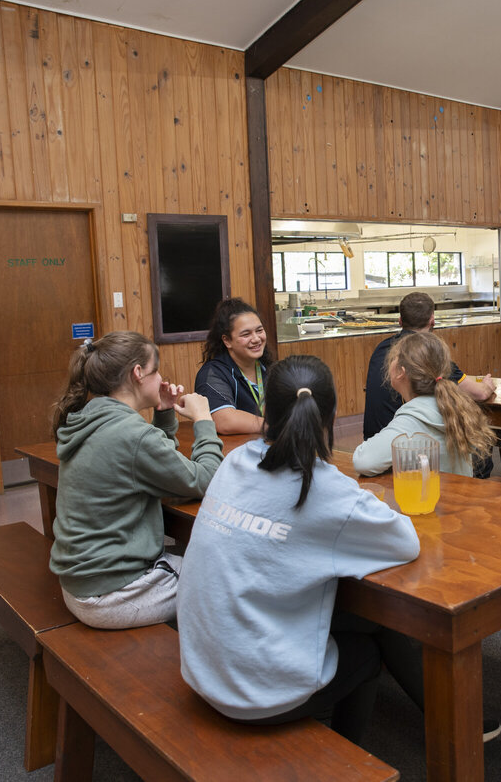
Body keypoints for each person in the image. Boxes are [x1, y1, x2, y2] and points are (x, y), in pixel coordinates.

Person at [177, 355, 421, 744]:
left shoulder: (234, 461)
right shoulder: (328, 490)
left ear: (264, 410)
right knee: (368, 650)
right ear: (332, 414)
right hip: (254, 695)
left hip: (200, 667)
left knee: (359, 616)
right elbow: (406, 542)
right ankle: (347, 761)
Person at [49, 331, 223, 629]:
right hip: (112, 595)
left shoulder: (92, 417)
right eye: (156, 371)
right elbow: (205, 480)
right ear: (138, 373)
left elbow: (154, 468)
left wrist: (164, 413)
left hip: (82, 585)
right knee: (230, 578)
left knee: (197, 563)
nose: (161, 379)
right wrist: (205, 421)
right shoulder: (130, 433)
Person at [353, 331, 497, 477]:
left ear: (401, 372)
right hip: (456, 495)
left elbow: (363, 461)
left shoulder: (411, 420)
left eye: (393, 359)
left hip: (429, 497)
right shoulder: (453, 405)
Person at [195, 298, 273, 435]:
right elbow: (224, 421)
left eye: (259, 330)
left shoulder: (269, 368)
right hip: (233, 454)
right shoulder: (213, 373)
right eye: (246, 334)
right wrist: (277, 426)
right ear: (227, 341)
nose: (256, 339)